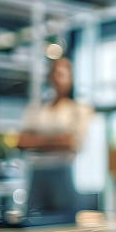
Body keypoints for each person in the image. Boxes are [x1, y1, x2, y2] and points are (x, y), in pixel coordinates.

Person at [18, 56, 93, 222]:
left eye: (63, 73)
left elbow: (70, 143)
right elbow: (21, 142)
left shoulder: (78, 109)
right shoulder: (36, 109)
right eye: (55, 73)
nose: (59, 77)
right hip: (36, 176)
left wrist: (37, 140)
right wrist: (55, 140)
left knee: (65, 225)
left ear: (71, 77)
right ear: (49, 76)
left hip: (64, 175)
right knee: (33, 224)